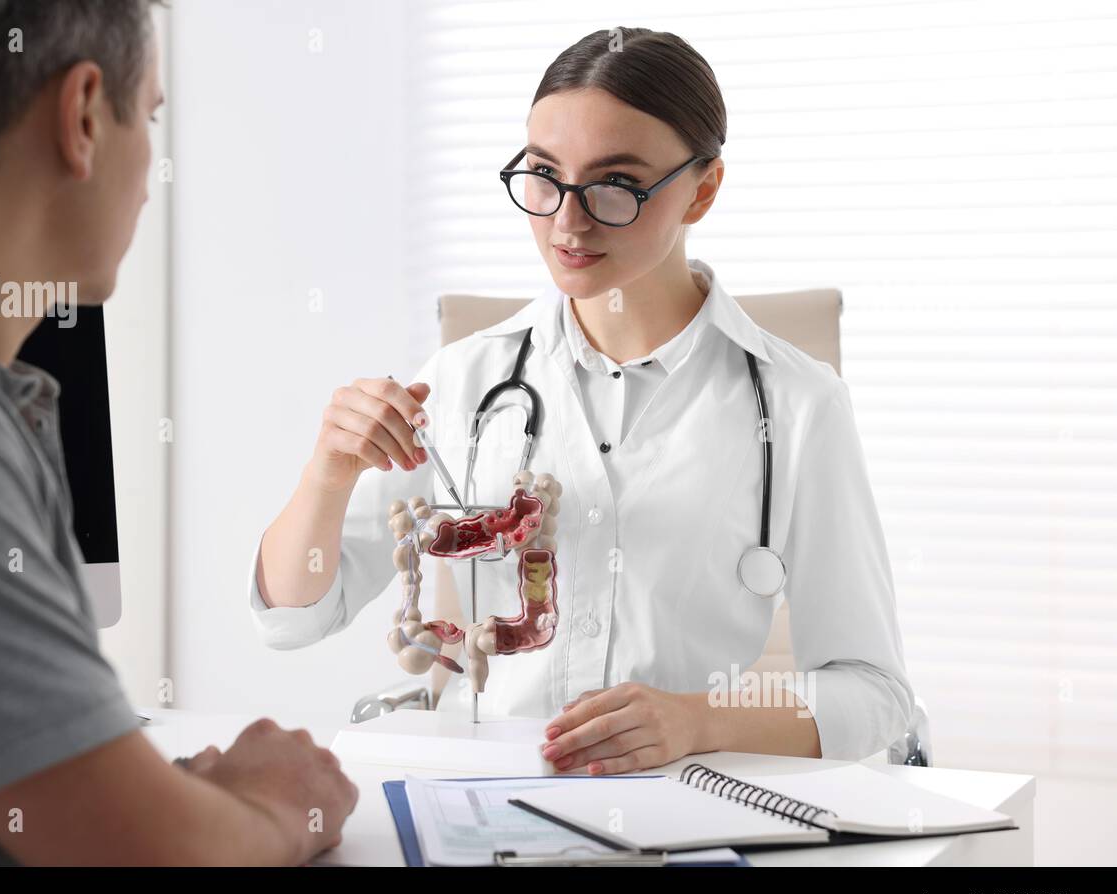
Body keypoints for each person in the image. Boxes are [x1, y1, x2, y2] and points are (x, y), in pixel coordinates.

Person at [250, 27, 914, 769]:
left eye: (615, 185)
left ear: (703, 188)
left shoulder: (797, 404)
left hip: (687, 811)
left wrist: (697, 720)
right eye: (543, 174)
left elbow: (875, 693)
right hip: (484, 802)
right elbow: (293, 619)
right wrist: (327, 474)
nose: (567, 219)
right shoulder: (466, 379)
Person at [0, 0, 355, 866]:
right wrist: (282, 802)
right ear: (80, 117)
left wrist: (159, 796)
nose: (149, 172)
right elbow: (141, 855)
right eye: (146, 118)